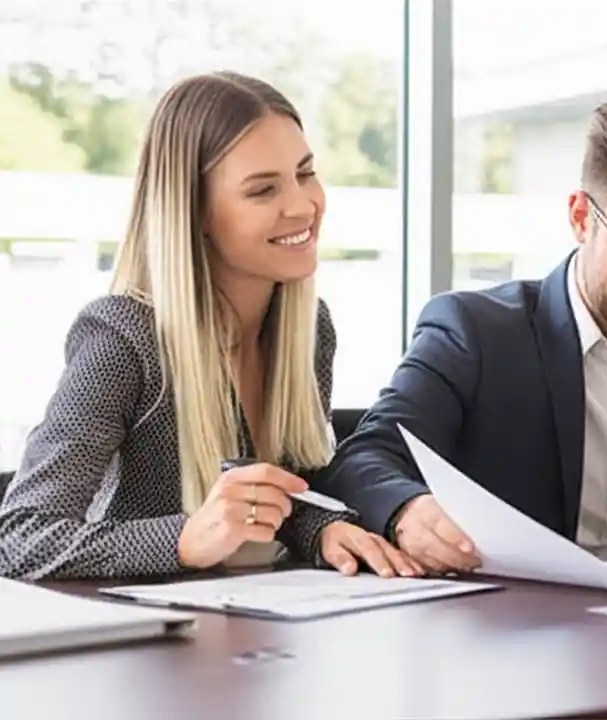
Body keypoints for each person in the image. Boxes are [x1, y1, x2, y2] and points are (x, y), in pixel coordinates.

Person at [317, 92, 607, 574]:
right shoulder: (474, 334)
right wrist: (407, 512)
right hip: (515, 632)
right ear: (581, 217)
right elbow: (364, 459)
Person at [0, 72, 421, 580]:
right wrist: (182, 539)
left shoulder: (307, 332)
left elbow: (283, 496)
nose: (303, 205)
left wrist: (320, 527)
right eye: (263, 189)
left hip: (249, 627)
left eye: (305, 173)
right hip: (138, 642)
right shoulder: (123, 341)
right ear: (194, 210)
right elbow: (20, 537)